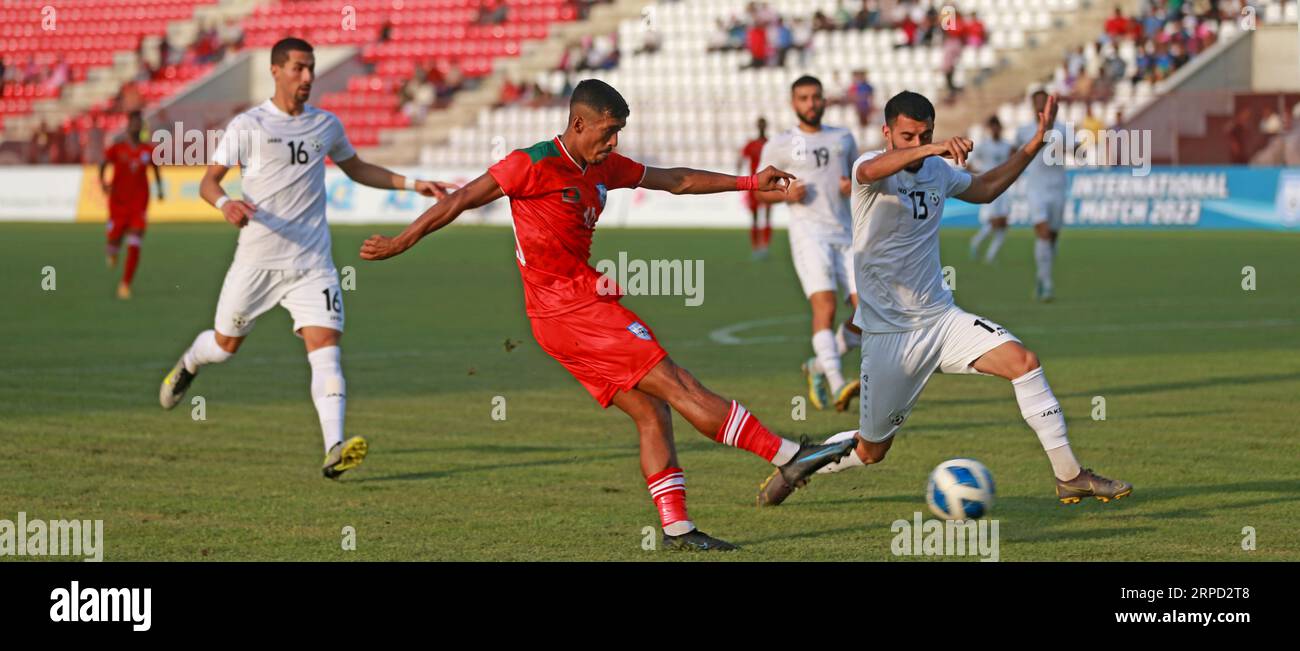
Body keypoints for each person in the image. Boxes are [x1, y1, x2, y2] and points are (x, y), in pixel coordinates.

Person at [358, 79, 857, 551]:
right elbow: (463, 199)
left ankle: (678, 528)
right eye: (608, 129)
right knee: (677, 383)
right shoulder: (530, 164)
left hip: (567, 313)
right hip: (571, 310)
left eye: (619, 131)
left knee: (650, 410)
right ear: (579, 124)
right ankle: (789, 457)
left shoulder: (604, 166)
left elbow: (676, 180)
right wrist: (401, 241)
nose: (615, 140)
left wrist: (750, 181)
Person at [758, 91, 1132, 508]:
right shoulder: (869, 166)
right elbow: (873, 170)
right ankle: (799, 463)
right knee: (871, 451)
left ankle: (1071, 476)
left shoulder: (937, 170)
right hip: (889, 336)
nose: (916, 144)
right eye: (906, 136)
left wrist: (1035, 143)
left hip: (942, 319)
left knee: (1024, 363)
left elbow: (987, 187)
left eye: (925, 134)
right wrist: (932, 148)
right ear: (887, 133)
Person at [157, 38, 457, 479]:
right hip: (257, 263)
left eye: (311, 68)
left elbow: (356, 168)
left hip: (312, 263)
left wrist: (414, 185)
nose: (307, 78)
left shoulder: (326, 125)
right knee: (224, 347)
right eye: (298, 68)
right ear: (276, 71)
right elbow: (209, 182)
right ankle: (190, 362)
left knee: (326, 350)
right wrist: (226, 204)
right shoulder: (248, 126)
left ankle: (334, 448)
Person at [756, 76, 861, 412]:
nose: (811, 103)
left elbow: (859, 178)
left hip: (845, 233)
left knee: (868, 312)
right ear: (793, 103)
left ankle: (818, 365)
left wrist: (852, 186)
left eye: (816, 97)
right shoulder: (780, 144)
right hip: (808, 234)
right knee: (826, 306)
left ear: (824, 101)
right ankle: (836, 381)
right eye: (803, 98)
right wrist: (784, 194)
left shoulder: (843, 138)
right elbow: (760, 190)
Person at [100, 111, 164, 299]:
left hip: (139, 203)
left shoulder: (147, 150)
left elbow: (156, 169)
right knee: (114, 239)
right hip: (118, 202)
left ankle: (125, 284)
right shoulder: (117, 148)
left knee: (135, 239)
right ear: (128, 126)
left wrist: (160, 189)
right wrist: (103, 181)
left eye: (139, 124)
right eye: (133, 123)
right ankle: (112, 250)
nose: (136, 127)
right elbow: (103, 163)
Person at [1015, 88, 1069, 301]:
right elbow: (1014, 154)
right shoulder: (1024, 130)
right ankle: (1046, 283)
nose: (1039, 106)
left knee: (1052, 237)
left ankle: (1042, 275)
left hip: (1058, 188)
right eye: (1036, 102)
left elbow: (1079, 150)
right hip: (1035, 189)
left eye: (1043, 102)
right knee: (1044, 232)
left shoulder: (1063, 129)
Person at [967, 115, 1013, 264]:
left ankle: (990, 256)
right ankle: (976, 242)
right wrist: (981, 173)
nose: (995, 129)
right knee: (994, 222)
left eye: (997, 126)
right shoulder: (983, 145)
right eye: (992, 126)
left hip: (1004, 187)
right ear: (989, 128)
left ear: (1000, 128)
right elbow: (969, 164)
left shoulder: (1007, 146)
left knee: (1004, 223)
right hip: (989, 187)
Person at [738, 117, 772, 259]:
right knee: (755, 217)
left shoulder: (771, 143)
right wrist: (737, 171)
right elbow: (741, 158)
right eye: (760, 124)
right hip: (753, 183)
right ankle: (755, 247)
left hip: (769, 184)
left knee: (767, 216)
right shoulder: (751, 144)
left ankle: (765, 246)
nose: (761, 126)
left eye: (763, 124)